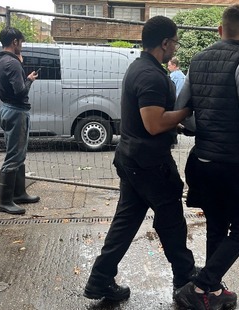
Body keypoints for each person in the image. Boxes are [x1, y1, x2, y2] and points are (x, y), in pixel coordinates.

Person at [83, 16, 196, 302]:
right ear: (165, 42)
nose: (176, 48)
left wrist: (175, 124)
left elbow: (151, 118)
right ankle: (184, 278)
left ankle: (99, 280)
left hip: (133, 159)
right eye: (176, 42)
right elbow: (154, 124)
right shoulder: (150, 75)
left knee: (126, 221)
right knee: (171, 220)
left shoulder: (141, 67)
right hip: (150, 163)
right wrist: (186, 112)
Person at [174, 5, 239, 309]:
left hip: (201, 160)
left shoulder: (197, 60)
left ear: (219, 30)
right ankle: (202, 285)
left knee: (217, 225)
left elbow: (183, 109)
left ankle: (212, 291)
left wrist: (203, 128)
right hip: (230, 164)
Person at [0, 27, 40, 215]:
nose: (22, 45)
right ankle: (5, 202)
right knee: (14, 156)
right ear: (15, 42)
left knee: (18, 154)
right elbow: (20, 91)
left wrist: (24, 76)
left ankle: (19, 193)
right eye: (21, 42)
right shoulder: (12, 63)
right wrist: (28, 81)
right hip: (16, 111)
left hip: (7, 109)